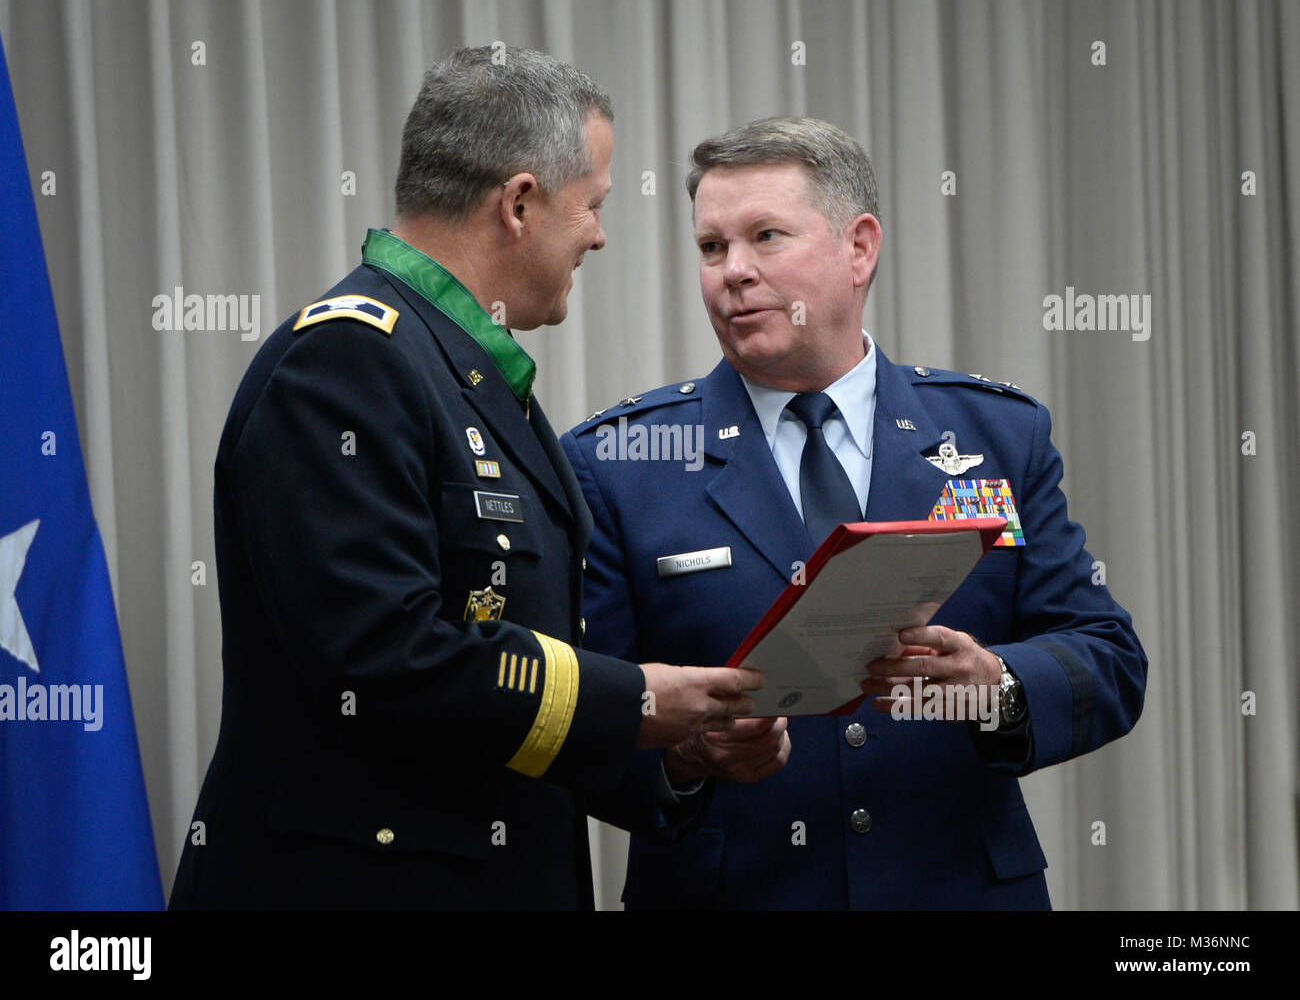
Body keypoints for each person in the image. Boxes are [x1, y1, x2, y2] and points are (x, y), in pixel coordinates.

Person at [168, 47, 772, 911]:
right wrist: (637, 698)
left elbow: (513, 690)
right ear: (520, 203)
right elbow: (385, 660)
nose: (600, 235)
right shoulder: (347, 361)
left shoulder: (464, 371)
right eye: (593, 205)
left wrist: (673, 753)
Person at [562, 117, 1148, 909]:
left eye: (765, 236)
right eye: (711, 247)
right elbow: (580, 721)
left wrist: (997, 682)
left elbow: (1107, 660)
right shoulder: (619, 462)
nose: (733, 271)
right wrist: (686, 757)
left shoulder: (994, 436)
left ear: (859, 247)